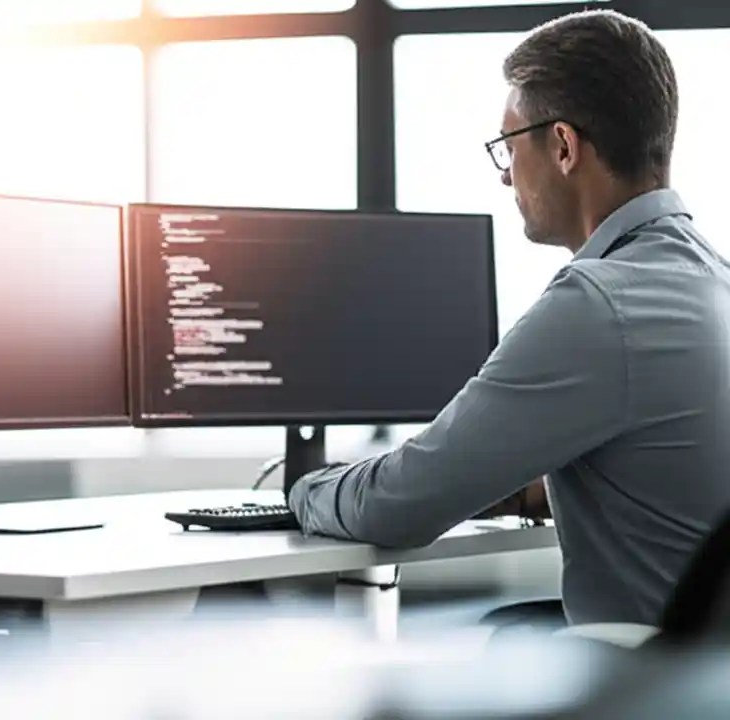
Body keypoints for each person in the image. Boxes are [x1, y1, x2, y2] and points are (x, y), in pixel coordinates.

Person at [285, 8, 730, 627]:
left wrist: (302, 491)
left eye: (508, 146)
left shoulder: (598, 304)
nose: (504, 175)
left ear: (563, 147)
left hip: (655, 670)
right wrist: (525, 490)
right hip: (709, 661)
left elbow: (396, 506)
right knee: (508, 627)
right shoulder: (713, 277)